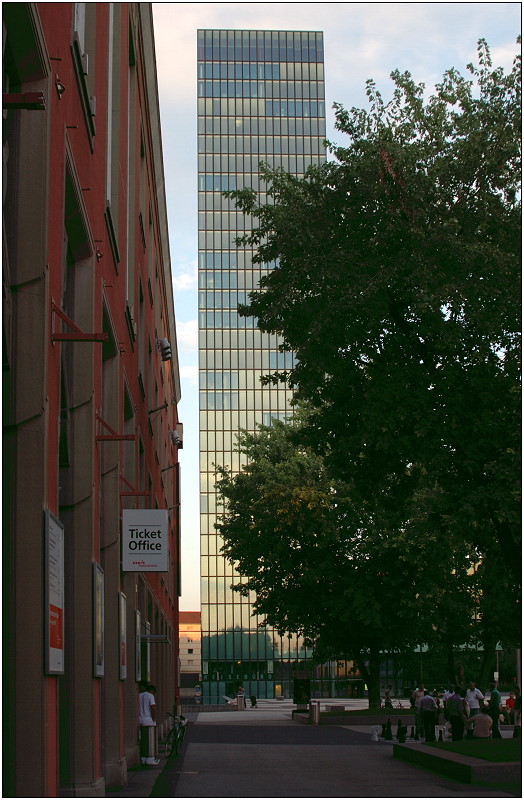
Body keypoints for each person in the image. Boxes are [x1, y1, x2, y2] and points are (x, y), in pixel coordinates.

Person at [139, 683, 160, 765]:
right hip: (148, 719)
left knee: (143, 740)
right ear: (151, 691)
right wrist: (154, 719)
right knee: (150, 740)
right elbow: (153, 707)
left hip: (140, 719)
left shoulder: (139, 695)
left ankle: (143, 758)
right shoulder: (150, 696)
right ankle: (150, 758)